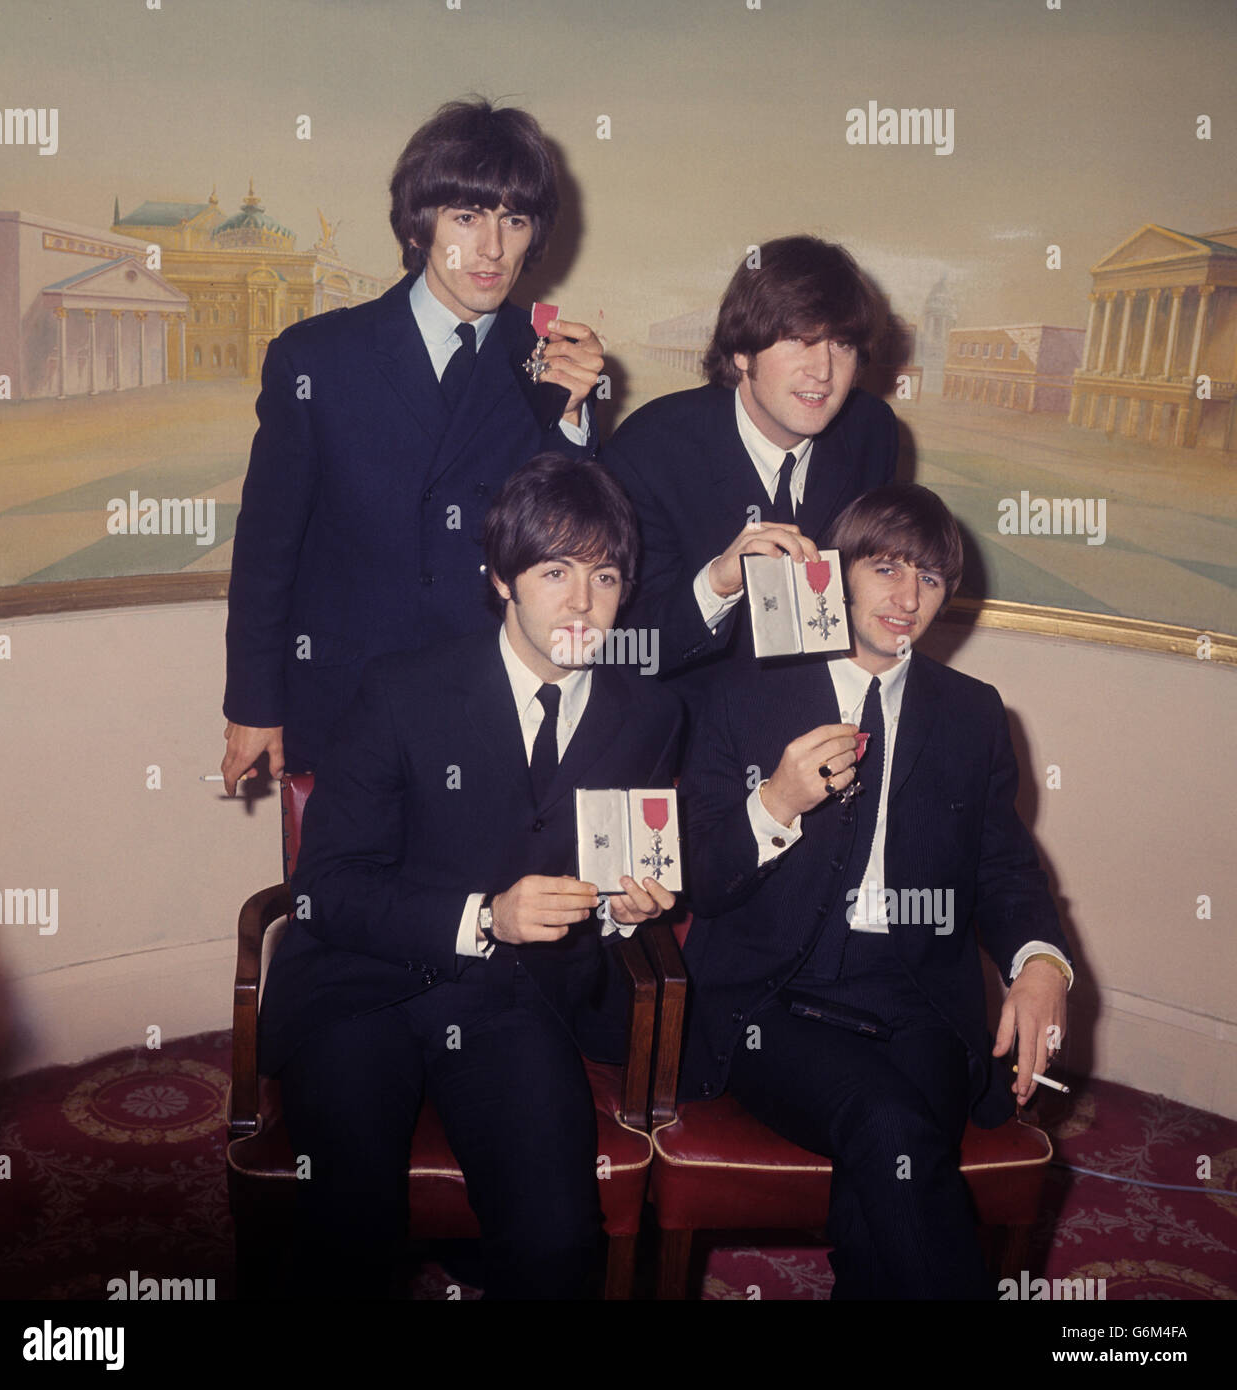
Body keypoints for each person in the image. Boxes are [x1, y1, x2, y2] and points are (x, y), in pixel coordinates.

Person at [258, 455, 683, 1298]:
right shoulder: (402, 690)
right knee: (347, 1230)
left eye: (604, 575)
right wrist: (483, 916)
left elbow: (619, 878)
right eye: (553, 571)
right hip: (362, 983)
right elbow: (327, 890)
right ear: (500, 578)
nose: (581, 601)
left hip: (510, 1001)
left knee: (561, 1242)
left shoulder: (649, 716)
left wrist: (631, 910)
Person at [677, 483, 1071, 1299]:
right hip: (776, 1004)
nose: (906, 597)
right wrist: (776, 802)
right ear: (839, 572)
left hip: (917, 1002)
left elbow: (1004, 867)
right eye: (885, 567)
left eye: (928, 578)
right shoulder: (743, 694)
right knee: (893, 1127)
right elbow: (704, 882)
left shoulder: (971, 714)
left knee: (889, 1179)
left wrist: (1041, 964)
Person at [221, 97, 605, 787]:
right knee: (348, 895)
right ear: (420, 225)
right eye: (466, 217)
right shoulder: (316, 358)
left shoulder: (549, 359)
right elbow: (265, 549)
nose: (490, 248)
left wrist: (573, 420)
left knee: (493, 900)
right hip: (345, 705)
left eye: (513, 220)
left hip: (495, 709)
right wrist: (254, 703)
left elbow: (569, 550)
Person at [602, 235, 898, 708]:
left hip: (823, 720)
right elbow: (624, 648)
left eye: (841, 344)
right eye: (800, 340)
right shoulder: (649, 450)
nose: (823, 370)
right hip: (686, 734)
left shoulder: (872, 432)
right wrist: (716, 583)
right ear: (741, 352)